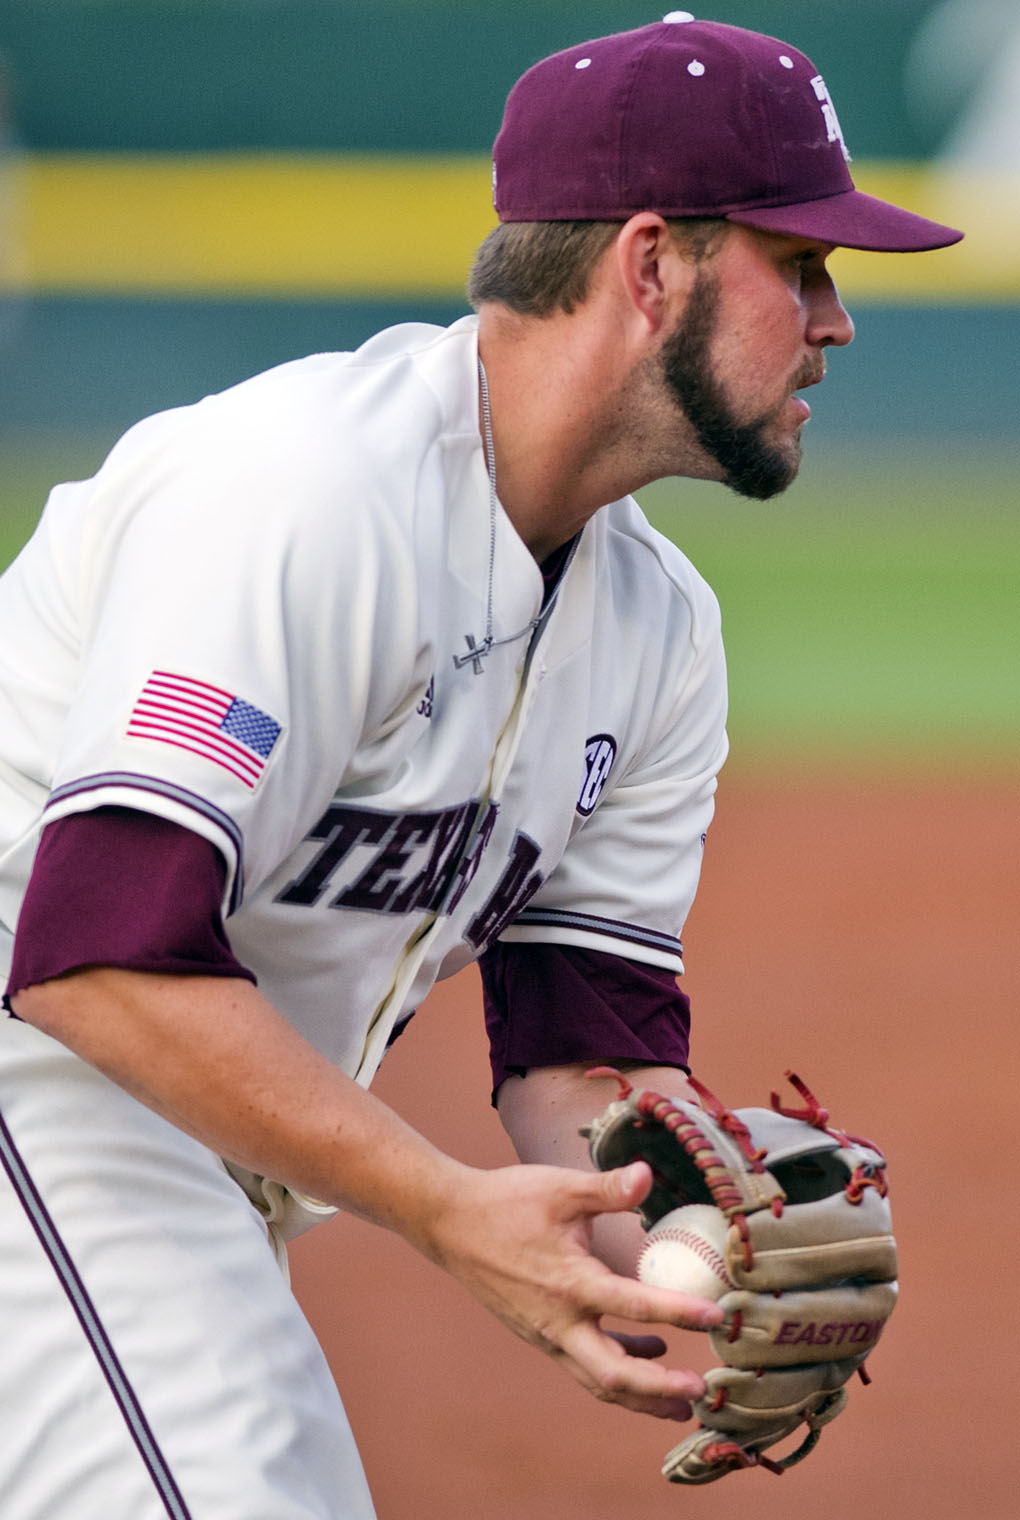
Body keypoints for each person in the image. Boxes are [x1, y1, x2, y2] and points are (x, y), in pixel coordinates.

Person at [0, 16, 961, 1519]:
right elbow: (93, 962)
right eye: (801, 263)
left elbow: (582, 1050)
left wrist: (688, 1236)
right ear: (652, 265)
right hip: (48, 1091)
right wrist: (449, 1211)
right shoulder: (301, 496)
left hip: (170, 1153)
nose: (836, 321)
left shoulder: (658, 633)